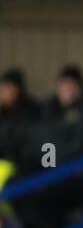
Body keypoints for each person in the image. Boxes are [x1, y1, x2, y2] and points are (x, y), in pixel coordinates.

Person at [25, 65, 83, 228]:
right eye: (63, 86)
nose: (67, 91)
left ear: (79, 88)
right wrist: (47, 161)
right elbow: (41, 143)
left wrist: (54, 158)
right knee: (26, 189)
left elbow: (79, 146)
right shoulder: (49, 110)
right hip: (51, 173)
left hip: (78, 178)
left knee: (42, 198)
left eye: (71, 86)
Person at [0, 68, 41, 197]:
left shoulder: (31, 112)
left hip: (21, 170)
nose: (2, 92)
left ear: (17, 89)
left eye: (6, 88)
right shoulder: (3, 113)